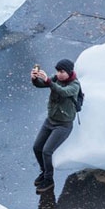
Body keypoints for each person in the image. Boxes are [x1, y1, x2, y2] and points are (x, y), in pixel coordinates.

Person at [30, 59, 81, 193]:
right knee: (37, 147)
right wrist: (35, 79)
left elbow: (63, 92)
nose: (58, 74)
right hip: (50, 120)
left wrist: (49, 81)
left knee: (47, 151)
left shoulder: (75, 85)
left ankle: (49, 180)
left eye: (62, 71)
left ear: (69, 72)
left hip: (63, 125)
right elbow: (41, 85)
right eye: (57, 71)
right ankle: (44, 171)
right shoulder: (56, 79)